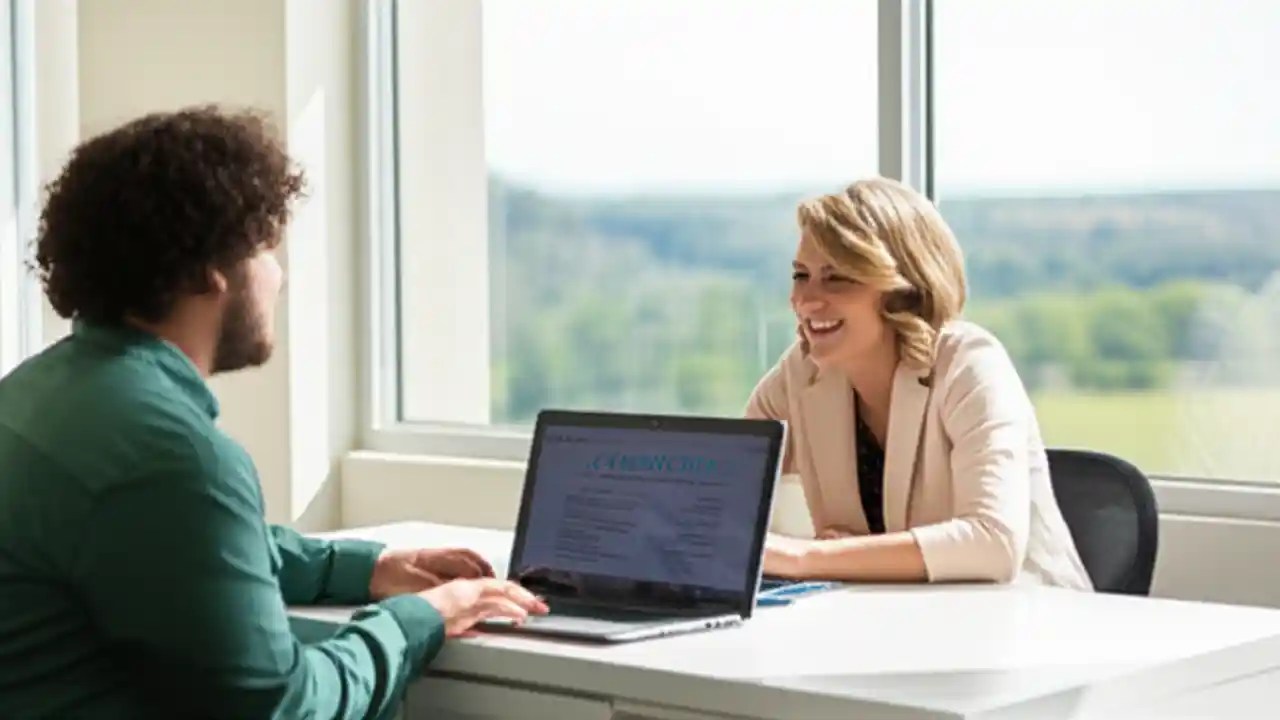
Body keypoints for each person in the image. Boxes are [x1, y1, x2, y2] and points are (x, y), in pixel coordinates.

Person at [0, 107, 546, 719]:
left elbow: (183, 547)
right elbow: (285, 707)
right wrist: (420, 619)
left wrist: (368, 569)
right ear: (210, 276)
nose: (278, 276)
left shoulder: (31, 397)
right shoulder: (173, 455)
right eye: (265, 247)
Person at [747, 178, 1092, 590]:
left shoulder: (970, 363)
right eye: (801, 275)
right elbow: (721, 503)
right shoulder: (800, 375)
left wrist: (806, 557)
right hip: (890, 624)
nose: (806, 300)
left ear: (902, 289)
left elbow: (992, 542)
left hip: (1022, 628)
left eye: (837, 278)